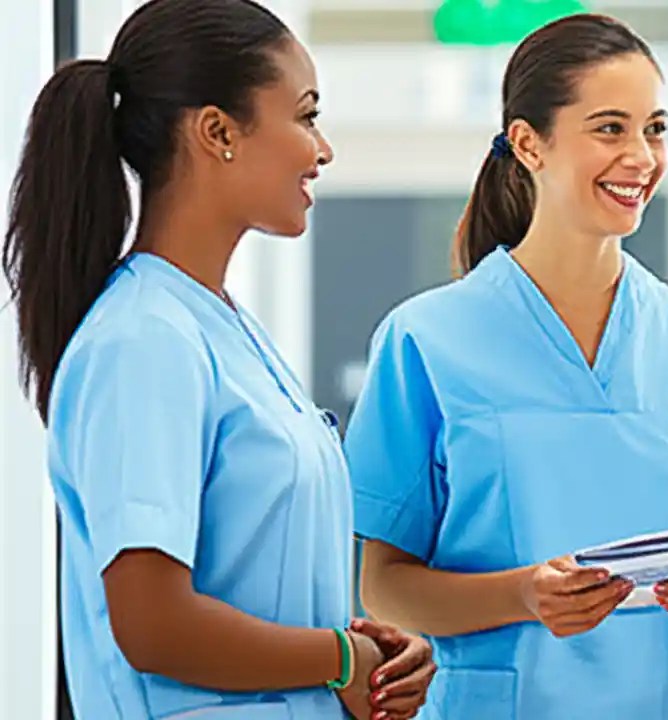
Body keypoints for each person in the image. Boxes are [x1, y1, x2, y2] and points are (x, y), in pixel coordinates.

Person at [345, 13, 668, 720]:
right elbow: (384, 587)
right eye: (610, 128)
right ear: (529, 144)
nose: (641, 156)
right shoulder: (425, 340)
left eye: (655, 129)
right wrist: (521, 595)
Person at [1, 1, 435, 718]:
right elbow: (152, 625)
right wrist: (335, 659)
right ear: (217, 132)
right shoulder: (142, 340)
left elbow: (261, 584)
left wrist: (366, 651)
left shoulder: (221, 329)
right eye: (305, 116)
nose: (322, 150)